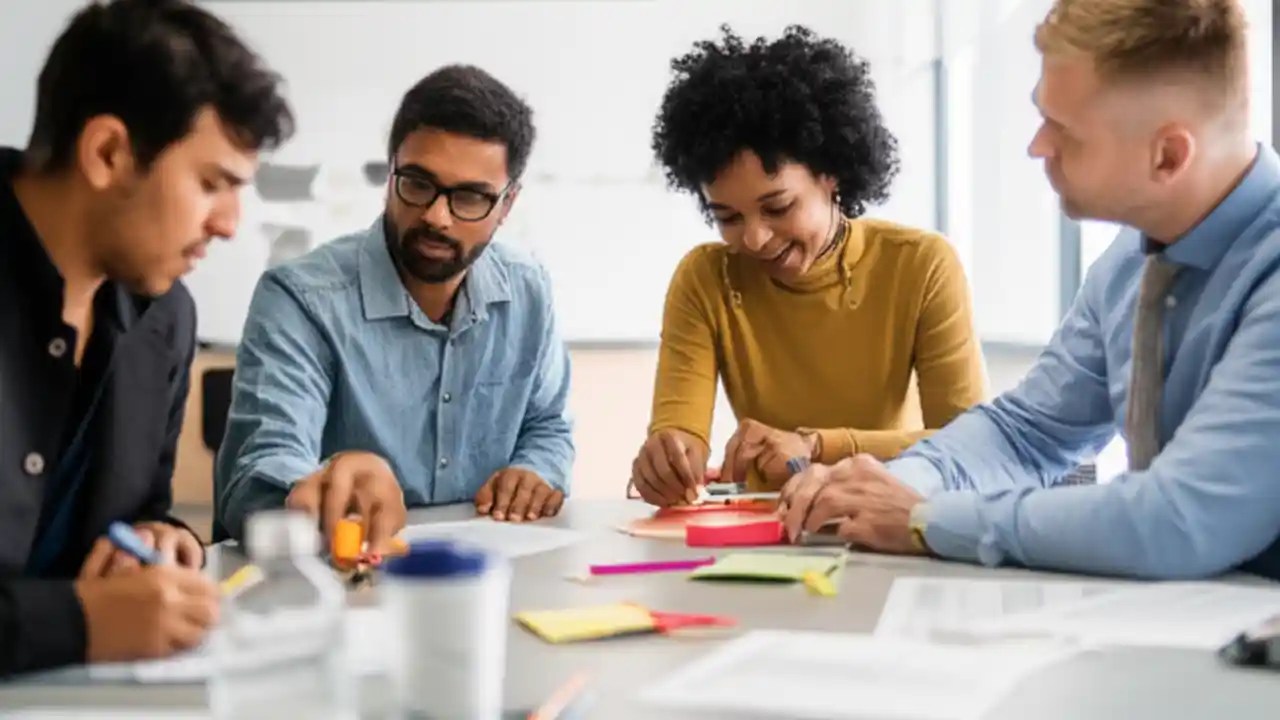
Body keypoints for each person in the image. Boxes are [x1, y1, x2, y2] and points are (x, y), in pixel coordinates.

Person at [780, 0, 1280, 581]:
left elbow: (1178, 521)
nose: (1037, 147)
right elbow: (1029, 432)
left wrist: (927, 519)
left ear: (1168, 155)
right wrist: (884, 489)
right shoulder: (1130, 261)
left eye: (1064, 131)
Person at [0, 0, 293, 677]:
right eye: (210, 183)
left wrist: (160, 540)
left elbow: (137, 512)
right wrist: (79, 623)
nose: (228, 223)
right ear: (108, 153)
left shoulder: (165, 319)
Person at [631, 26, 987, 506]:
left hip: (886, 517)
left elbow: (969, 446)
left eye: (777, 208)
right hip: (764, 528)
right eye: (728, 217)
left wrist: (817, 446)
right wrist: (667, 461)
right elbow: (682, 434)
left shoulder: (920, 266)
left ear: (831, 174)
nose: (753, 238)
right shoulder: (705, 279)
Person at [215, 65, 573, 541]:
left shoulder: (529, 291)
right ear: (390, 174)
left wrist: (535, 470)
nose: (436, 217)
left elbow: (548, 425)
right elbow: (256, 472)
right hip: (341, 580)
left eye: (469, 197)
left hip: (482, 573)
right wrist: (323, 486)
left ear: (507, 205)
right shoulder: (300, 299)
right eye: (418, 183)